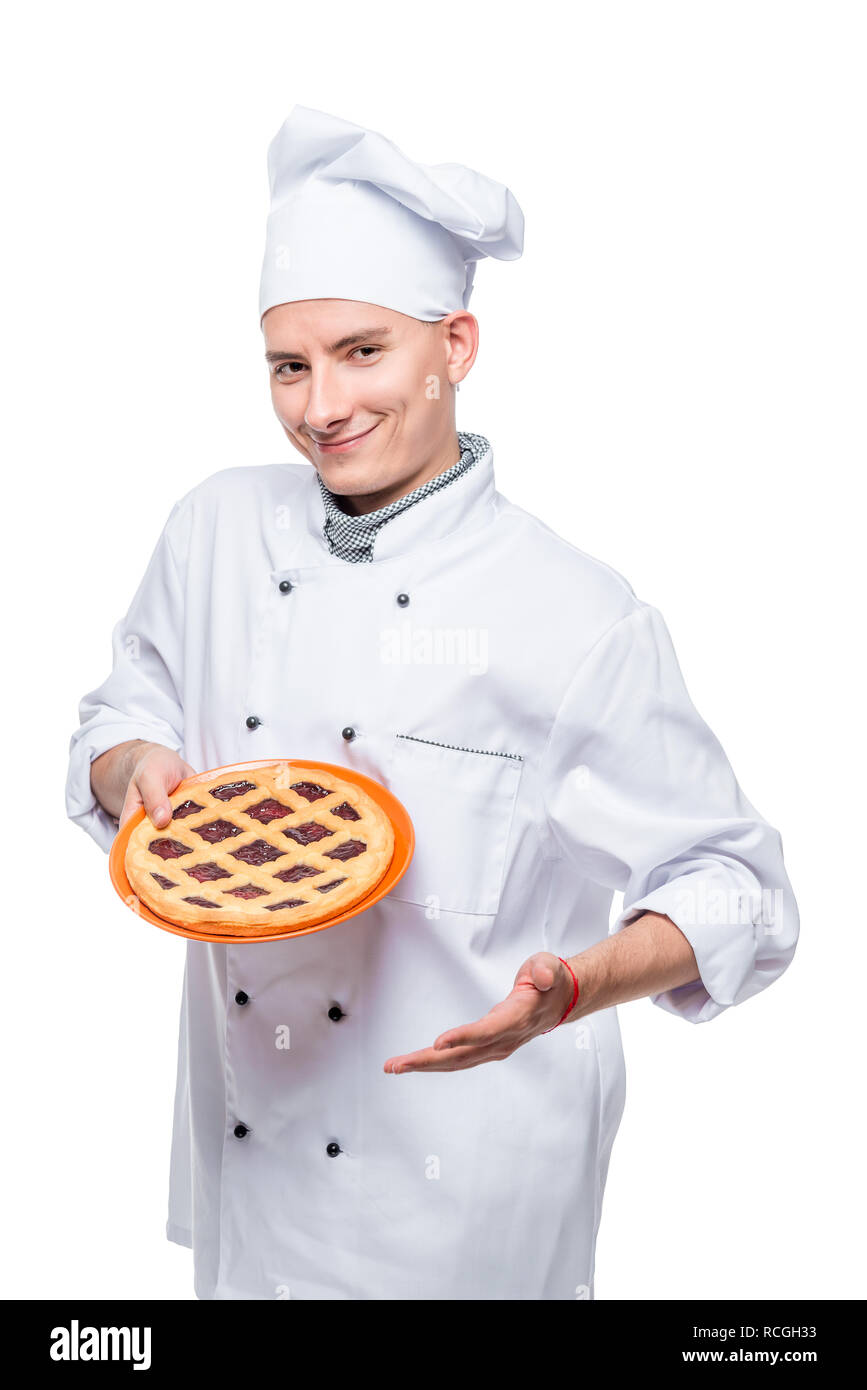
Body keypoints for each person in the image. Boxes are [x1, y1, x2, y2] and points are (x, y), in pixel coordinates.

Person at [66, 105, 799, 1301]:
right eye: (289, 366)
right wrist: (131, 763)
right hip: (255, 1166)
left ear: (455, 345)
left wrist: (572, 989)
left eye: (364, 352)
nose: (320, 407)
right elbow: (115, 710)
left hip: (466, 1193)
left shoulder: (572, 610)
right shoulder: (212, 530)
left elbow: (737, 888)